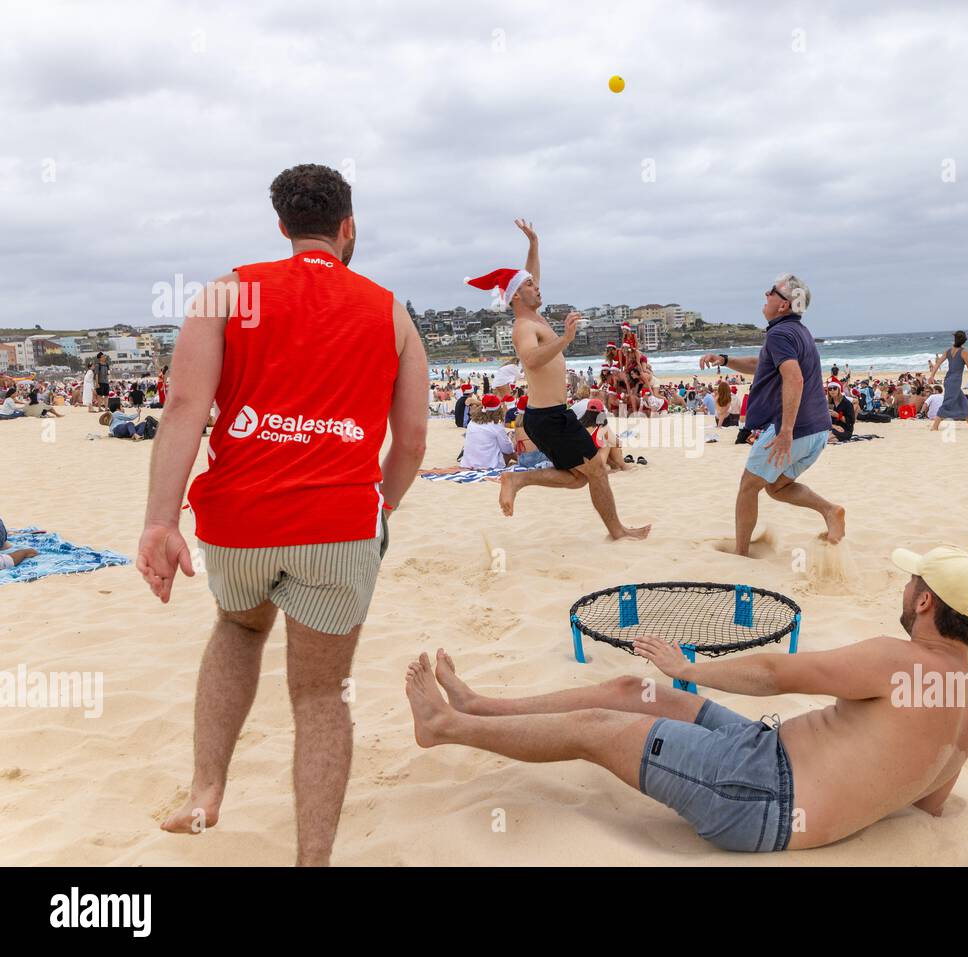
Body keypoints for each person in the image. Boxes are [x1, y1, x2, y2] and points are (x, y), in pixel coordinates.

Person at [135, 163, 428, 866]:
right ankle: (312, 858)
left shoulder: (230, 293)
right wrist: (379, 503)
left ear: (283, 227)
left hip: (238, 521)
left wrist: (160, 520)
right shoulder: (390, 310)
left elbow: (183, 408)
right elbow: (413, 440)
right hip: (340, 525)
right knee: (322, 693)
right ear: (347, 228)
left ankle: (207, 791)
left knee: (238, 630)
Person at [401, 544, 968, 853]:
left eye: (912, 579)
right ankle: (479, 706)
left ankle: (444, 726)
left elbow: (773, 672)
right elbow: (928, 805)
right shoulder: (963, 706)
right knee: (634, 689)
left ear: (924, 602)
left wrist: (690, 667)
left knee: (598, 726)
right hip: (766, 758)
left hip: (758, 793)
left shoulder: (900, 659)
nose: (905, 583)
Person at [487, 220, 649, 540]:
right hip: (548, 418)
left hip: (551, 415)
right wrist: (566, 339)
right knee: (597, 472)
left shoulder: (533, 315)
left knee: (579, 478)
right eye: (530, 287)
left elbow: (529, 275)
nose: (537, 287)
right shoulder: (523, 326)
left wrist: (534, 243)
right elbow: (531, 360)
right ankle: (617, 531)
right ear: (517, 297)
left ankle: (518, 480)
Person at [700, 274, 842, 554]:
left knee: (748, 487)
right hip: (817, 430)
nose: (766, 294)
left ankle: (740, 554)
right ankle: (830, 510)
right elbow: (760, 363)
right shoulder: (797, 331)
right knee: (775, 487)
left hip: (793, 430)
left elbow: (794, 379)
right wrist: (725, 360)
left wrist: (786, 432)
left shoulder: (780, 334)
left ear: (784, 305)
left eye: (772, 292)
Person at [927, 331, 968, 431]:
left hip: (948, 380)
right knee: (947, 403)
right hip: (955, 382)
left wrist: (932, 376)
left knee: (963, 401)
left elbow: (938, 363)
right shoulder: (964, 351)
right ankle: (934, 426)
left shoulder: (948, 351)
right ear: (964, 340)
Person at [461, 394, 516, 470]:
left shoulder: (472, 422)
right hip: (489, 464)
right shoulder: (496, 426)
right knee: (508, 444)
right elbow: (507, 450)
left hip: (468, 463)